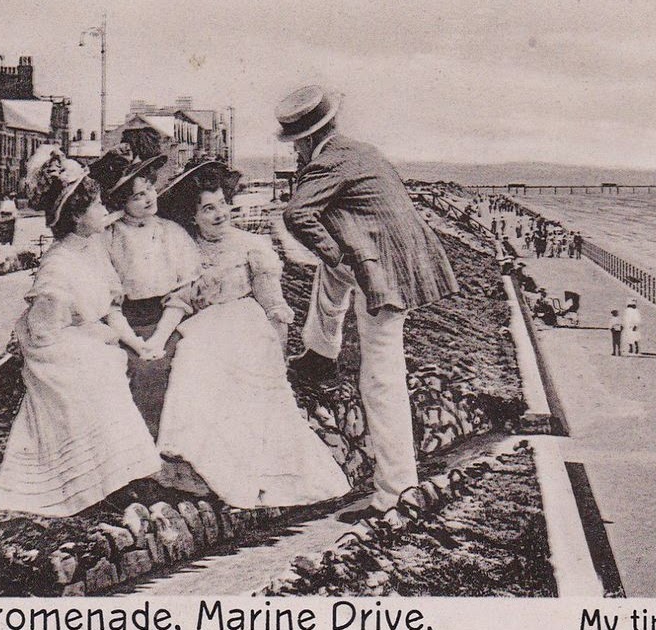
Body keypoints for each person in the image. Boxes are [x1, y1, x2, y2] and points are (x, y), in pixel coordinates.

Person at [275, 85, 459, 522]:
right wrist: (336, 258)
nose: (295, 155)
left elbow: (296, 215)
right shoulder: (360, 151)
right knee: (329, 275)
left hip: (384, 278)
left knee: (381, 382)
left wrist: (338, 255)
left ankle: (395, 493)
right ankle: (321, 352)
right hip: (402, 261)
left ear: (304, 139)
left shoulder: (327, 161)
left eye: (295, 147)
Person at [154, 160, 350, 508]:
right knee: (194, 360)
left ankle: (261, 476)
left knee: (249, 384)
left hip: (246, 325)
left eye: (223, 204)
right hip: (203, 329)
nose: (219, 214)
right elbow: (181, 299)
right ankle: (203, 470)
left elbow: (273, 305)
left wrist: (278, 348)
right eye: (208, 208)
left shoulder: (251, 246)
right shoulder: (185, 250)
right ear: (193, 216)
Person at [0, 159, 161, 517]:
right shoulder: (58, 265)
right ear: (78, 217)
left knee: (112, 367)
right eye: (97, 205)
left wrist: (133, 341)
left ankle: (126, 477)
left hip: (87, 342)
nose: (105, 210)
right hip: (55, 353)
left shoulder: (92, 247)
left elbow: (112, 307)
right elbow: (42, 333)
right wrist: (93, 339)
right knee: (97, 375)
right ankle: (101, 485)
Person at [99, 143, 201, 438]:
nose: (147, 199)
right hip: (125, 325)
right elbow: (110, 303)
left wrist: (157, 339)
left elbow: (181, 295)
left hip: (168, 321)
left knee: (175, 366)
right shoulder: (109, 237)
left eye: (149, 190)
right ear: (122, 203)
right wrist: (135, 342)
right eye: (136, 196)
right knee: (126, 369)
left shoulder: (171, 232)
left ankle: (169, 452)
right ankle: (134, 456)